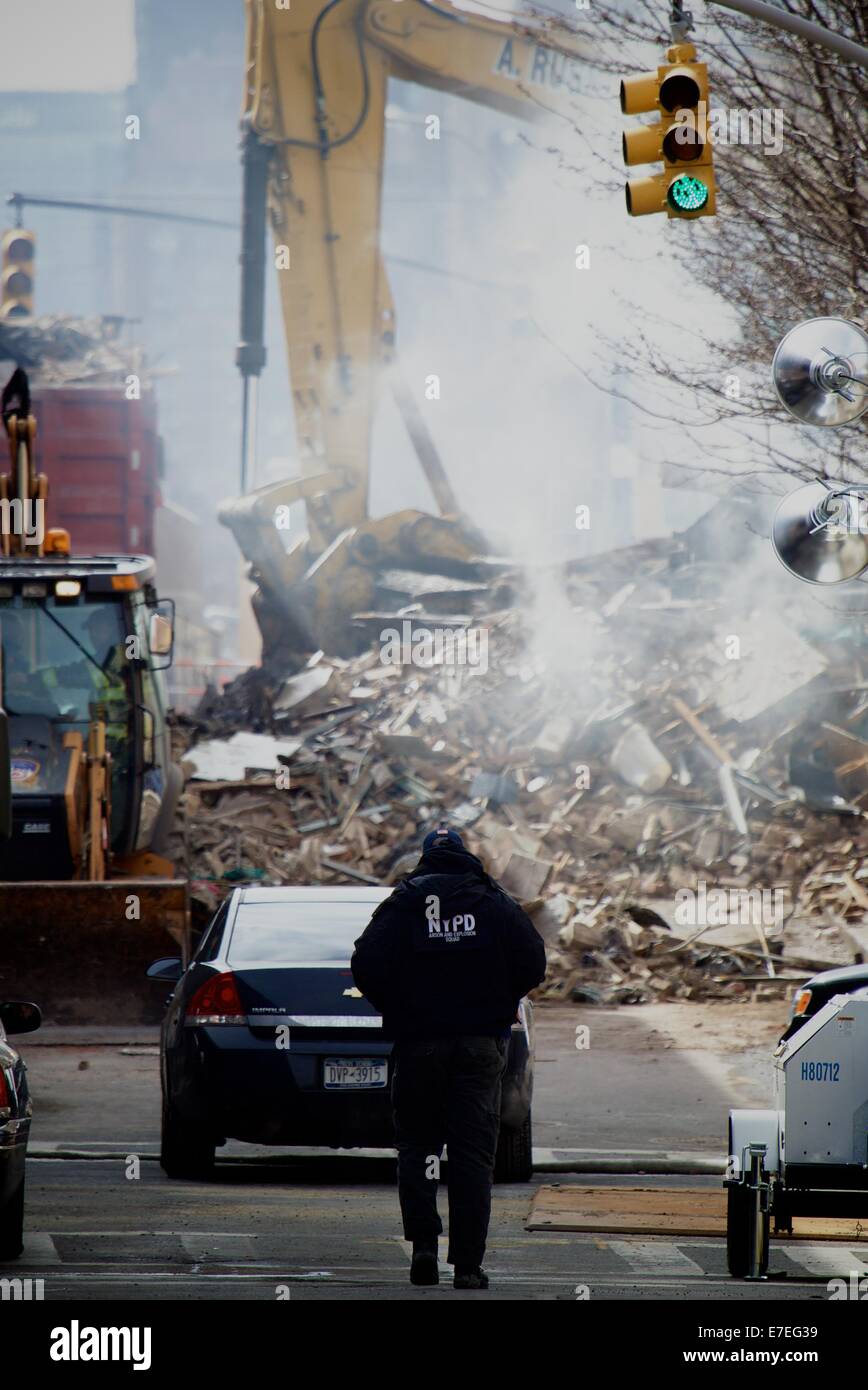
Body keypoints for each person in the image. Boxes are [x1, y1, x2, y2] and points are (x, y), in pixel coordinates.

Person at [351, 824, 546, 1290]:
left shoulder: (404, 903)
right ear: (466, 857)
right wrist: (496, 1002)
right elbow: (533, 963)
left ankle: (422, 1249)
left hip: (419, 1044)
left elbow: (365, 965)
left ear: (424, 858)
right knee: (473, 1156)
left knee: (417, 1148)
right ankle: (467, 1266)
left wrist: (399, 1008)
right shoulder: (494, 902)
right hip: (479, 1046)